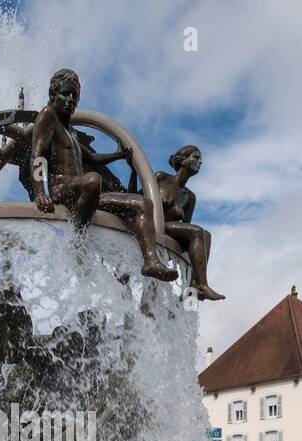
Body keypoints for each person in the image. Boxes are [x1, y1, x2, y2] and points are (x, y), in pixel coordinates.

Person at [31, 68, 178, 283]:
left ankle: (150, 262)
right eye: (65, 93)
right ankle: (78, 239)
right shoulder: (47, 116)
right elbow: (37, 154)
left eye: (75, 96)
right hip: (63, 191)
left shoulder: (70, 130)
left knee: (143, 203)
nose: (71, 99)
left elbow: (91, 159)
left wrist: (117, 155)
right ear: (53, 95)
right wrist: (39, 192)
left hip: (85, 193)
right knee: (93, 180)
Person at [156, 145, 224, 300]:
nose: (200, 162)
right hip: (154, 224)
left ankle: (194, 287)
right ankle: (202, 285)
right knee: (198, 231)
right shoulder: (161, 177)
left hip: (170, 232)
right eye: (196, 157)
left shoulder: (190, 197)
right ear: (182, 159)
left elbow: (187, 226)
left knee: (205, 235)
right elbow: (142, 195)